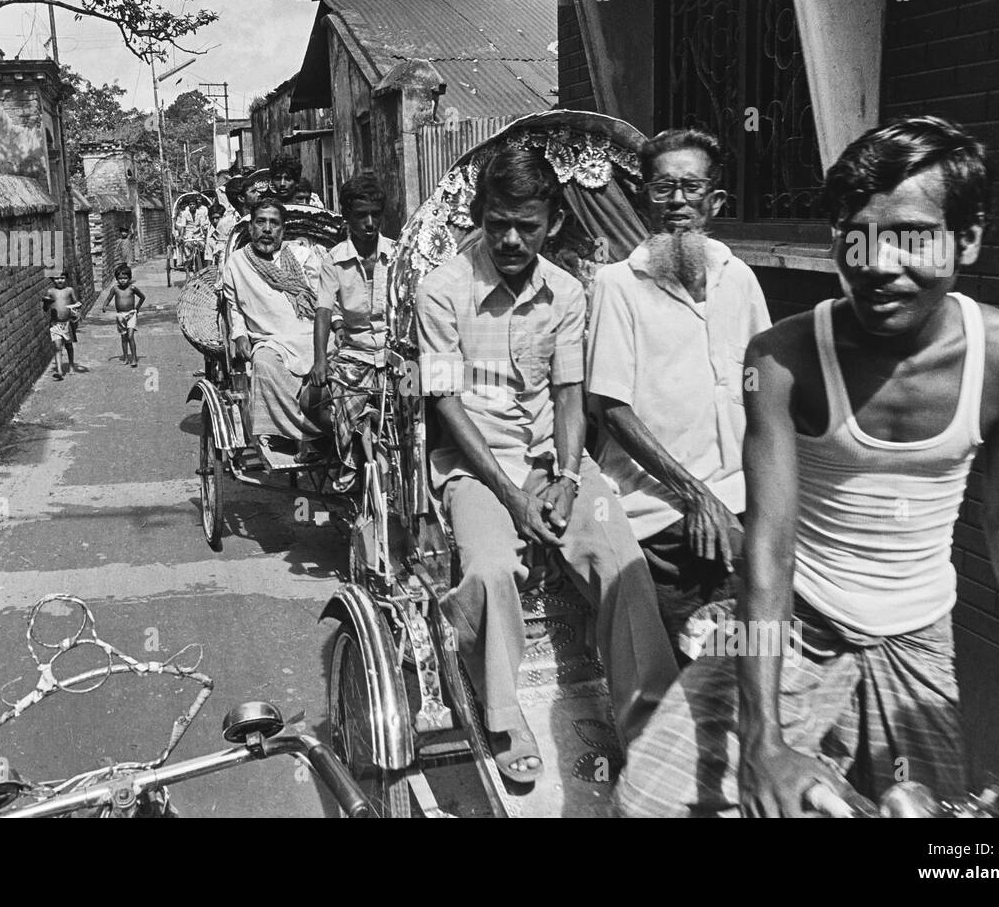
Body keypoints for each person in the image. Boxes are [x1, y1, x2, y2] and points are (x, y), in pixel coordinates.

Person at [617, 115, 999, 818]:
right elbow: (770, 544)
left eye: (911, 236)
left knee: (916, 815)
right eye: (857, 237)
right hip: (793, 624)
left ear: (967, 238)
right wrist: (762, 740)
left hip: (916, 639)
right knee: (649, 801)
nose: (878, 264)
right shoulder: (785, 360)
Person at [416, 149, 678, 784]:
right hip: (477, 470)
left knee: (621, 558)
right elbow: (446, 402)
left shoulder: (565, 293)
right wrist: (511, 497)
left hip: (554, 461)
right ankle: (505, 715)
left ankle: (653, 723)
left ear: (551, 222)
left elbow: (568, 395)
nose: (510, 239)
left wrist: (564, 478)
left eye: (526, 226)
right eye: (498, 222)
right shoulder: (442, 291)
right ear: (480, 214)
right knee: (488, 569)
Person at [587, 128, 771, 661]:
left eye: (691, 187)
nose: (677, 202)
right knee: (691, 672)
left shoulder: (740, 280)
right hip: (662, 510)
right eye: (663, 187)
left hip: (740, 503)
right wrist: (696, 496)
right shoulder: (618, 285)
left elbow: (764, 393)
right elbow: (612, 409)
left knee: (754, 666)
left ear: (715, 200)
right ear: (644, 196)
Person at [218, 197, 329, 457]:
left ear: (283, 230)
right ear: (251, 228)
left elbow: (321, 297)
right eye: (261, 222)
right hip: (270, 338)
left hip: (310, 333)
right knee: (265, 364)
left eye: (274, 224)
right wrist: (240, 334)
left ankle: (331, 427)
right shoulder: (237, 262)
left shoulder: (302, 255)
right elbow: (234, 306)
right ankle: (299, 435)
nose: (267, 229)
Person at [311, 173, 393, 493]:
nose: (370, 223)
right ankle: (348, 456)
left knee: (427, 401)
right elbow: (323, 311)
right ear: (347, 216)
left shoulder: (398, 254)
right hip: (354, 353)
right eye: (361, 215)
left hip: (393, 353)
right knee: (326, 400)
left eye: (375, 214)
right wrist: (320, 360)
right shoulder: (334, 260)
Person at [41, 270, 83, 380]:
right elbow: (45, 309)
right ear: (52, 280)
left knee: (69, 345)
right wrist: (46, 303)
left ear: (66, 278)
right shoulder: (50, 292)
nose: (60, 280)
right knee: (57, 346)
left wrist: (78, 306)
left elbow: (75, 302)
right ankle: (59, 371)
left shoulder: (69, 290)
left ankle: (71, 365)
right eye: (57, 278)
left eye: (62, 278)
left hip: (67, 323)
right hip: (55, 324)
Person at [103, 263, 145, 367]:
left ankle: (134, 358)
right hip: (120, 315)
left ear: (129, 278)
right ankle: (126, 357)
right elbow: (109, 298)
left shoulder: (132, 288)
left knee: (130, 336)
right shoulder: (115, 289)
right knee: (123, 337)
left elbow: (142, 297)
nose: (122, 280)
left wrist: (137, 308)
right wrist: (105, 305)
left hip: (131, 314)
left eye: (125, 278)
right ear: (116, 278)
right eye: (120, 278)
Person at [204, 204, 228, 270]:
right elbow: (209, 258)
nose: (215, 221)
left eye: (217, 218)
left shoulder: (232, 234)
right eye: (212, 219)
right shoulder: (210, 238)